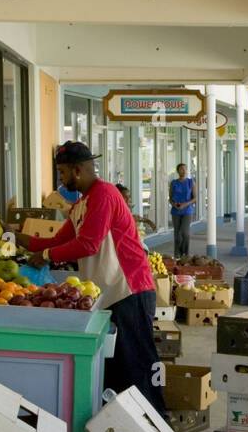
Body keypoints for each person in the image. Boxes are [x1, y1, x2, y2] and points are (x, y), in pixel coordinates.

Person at [17, 141, 166, 415]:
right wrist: (18, 236)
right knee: (115, 374)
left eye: (62, 173)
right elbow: (56, 240)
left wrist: (48, 254)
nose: (60, 179)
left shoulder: (104, 194)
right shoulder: (81, 205)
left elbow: (88, 245)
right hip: (108, 296)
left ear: (77, 170)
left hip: (129, 290)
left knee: (138, 370)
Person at [169, 163, 196, 256]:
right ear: (177, 171)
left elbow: (194, 198)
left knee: (185, 232)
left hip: (187, 210)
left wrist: (185, 204)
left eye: (185, 169)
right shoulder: (173, 183)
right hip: (176, 211)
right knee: (177, 234)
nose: (183, 171)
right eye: (181, 169)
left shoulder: (190, 182)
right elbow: (170, 198)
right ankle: (177, 255)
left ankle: (185, 253)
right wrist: (174, 204)